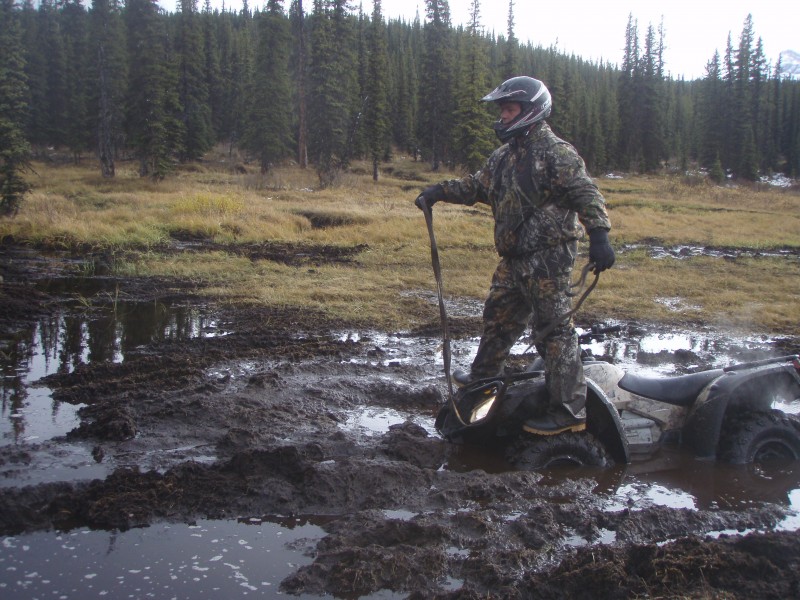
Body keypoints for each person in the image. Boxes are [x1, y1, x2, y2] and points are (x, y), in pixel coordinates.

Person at [415, 76, 615, 435]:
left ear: (531, 110)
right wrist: (437, 192)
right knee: (498, 318)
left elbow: (586, 193)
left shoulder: (557, 153)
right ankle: (482, 381)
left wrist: (600, 236)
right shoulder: (504, 157)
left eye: (509, 109)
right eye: (502, 110)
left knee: (553, 331)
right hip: (513, 259)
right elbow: (478, 186)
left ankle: (570, 410)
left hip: (549, 258)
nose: (503, 116)